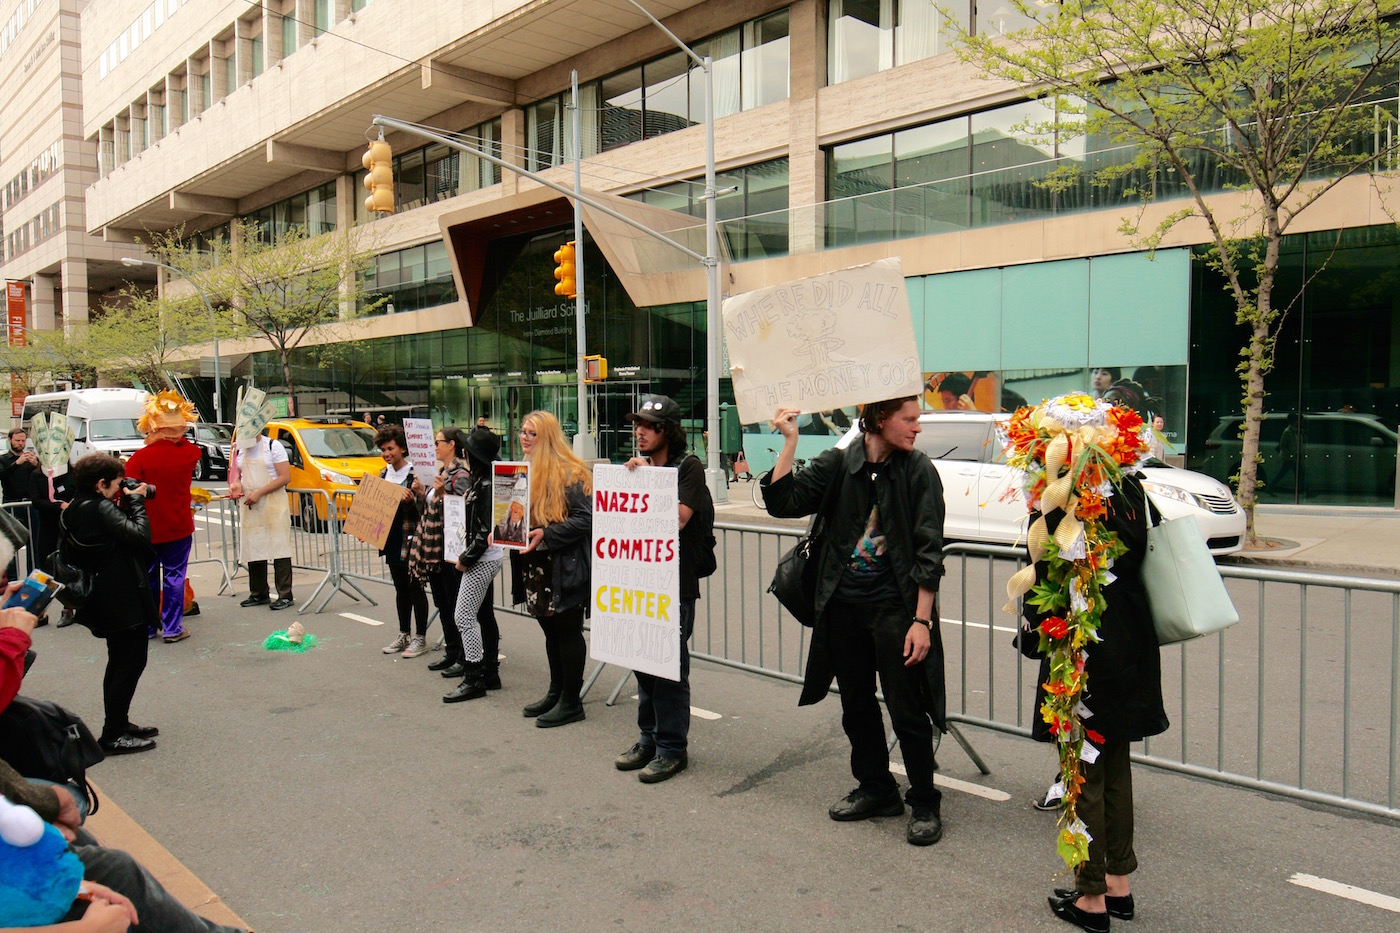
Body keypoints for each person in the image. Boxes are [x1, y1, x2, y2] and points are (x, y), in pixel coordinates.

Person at [761, 397, 948, 846]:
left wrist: (921, 622)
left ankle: (923, 799)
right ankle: (877, 788)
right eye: (909, 419)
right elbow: (783, 502)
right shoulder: (839, 464)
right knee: (856, 705)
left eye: (917, 419)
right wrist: (791, 441)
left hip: (896, 610)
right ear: (881, 420)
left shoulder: (918, 470)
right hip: (842, 607)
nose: (917, 428)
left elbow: (929, 551)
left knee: (908, 709)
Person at [1022, 472, 1168, 932]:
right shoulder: (1129, 486)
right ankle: (1118, 885)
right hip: (1128, 633)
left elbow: (1047, 566)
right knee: (1116, 760)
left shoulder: (1063, 493)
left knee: (1083, 769)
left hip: (1084, 641)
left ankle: (1091, 898)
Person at [613, 395, 714, 784]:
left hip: (674, 586)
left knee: (668, 669)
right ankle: (648, 739)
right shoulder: (639, 469)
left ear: (667, 431)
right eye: (637, 424)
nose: (640, 431)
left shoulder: (688, 468)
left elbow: (677, 519)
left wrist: (647, 482)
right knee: (643, 662)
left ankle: (672, 748)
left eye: (650, 426)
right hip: (641, 582)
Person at [60, 454, 159, 754]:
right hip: (121, 597)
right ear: (101, 483)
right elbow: (141, 535)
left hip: (103, 595)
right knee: (129, 663)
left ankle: (118, 723)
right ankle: (113, 734)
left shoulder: (74, 507)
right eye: (116, 484)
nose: (120, 489)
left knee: (118, 662)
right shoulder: (100, 507)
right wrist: (138, 501)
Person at [509, 411, 592, 728]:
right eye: (523, 431)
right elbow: (512, 516)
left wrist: (548, 533)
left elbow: (586, 520)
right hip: (537, 565)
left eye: (532, 433)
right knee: (549, 630)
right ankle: (556, 692)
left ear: (547, 437)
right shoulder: (523, 471)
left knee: (566, 631)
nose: (524, 437)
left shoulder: (572, 474)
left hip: (563, 567)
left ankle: (571, 701)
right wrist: (500, 530)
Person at [123, 394, 201, 643]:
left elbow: (128, 485)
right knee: (174, 576)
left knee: (146, 578)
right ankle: (172, 627)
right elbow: (191, 447)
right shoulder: (188, 455)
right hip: (178, 526)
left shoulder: (139, 458)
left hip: (147, 528)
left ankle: (147, 625)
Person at [443, 427, 506, 703]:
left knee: (464, 616)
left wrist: (465, 559)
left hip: (482, 559)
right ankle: (488, 673)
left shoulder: (486, 486)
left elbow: (484, 530)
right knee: (481, 615)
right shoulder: (483, 482)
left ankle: (474, 677)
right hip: (484, 557)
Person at [409, 427, 473, 677]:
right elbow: (428, 509)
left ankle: (462, 655)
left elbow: (461, 511)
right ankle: (451, 650)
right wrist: (419, 494)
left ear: (452, 445)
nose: (435, 446)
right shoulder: (440, 472)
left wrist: (443, 493)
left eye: (439, 442)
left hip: (450, 547)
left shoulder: (460, 474)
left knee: (453, 601)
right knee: (443, 602)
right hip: (435, 547)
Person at [373, 425, 431, 658]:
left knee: (415, 587)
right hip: (391, 538)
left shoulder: (415, 474)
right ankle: (403, 633)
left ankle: (420, 637)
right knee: (400, 588)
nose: (387, 454)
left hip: (412, 537)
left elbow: (426, 509)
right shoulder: (382, 474)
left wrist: (414, 497)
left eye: (390, 449)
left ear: (402, 448)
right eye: (383, 449)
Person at [231, 430, 294, 611]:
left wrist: (259, 493)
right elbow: (237, 476)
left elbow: (284, 477)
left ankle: (285, 594)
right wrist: (236, 485)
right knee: (254, 545)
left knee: (279, 547)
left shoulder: (273, 446)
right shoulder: (239, 450)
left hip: (273, 503)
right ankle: (258, 592)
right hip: (251, 505)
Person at [27, 462, 75, 626]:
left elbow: (76, 495)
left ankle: (68, 608)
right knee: (44, 568)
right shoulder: (37, 475)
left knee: (66, 566)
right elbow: (36, 501)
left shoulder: (70, 472)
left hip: (66, 526)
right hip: (47, 526)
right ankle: (40, 610)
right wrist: (58, 505)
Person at [0, 428, 39, 582]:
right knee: (11, 541)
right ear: (10, 440)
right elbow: (2, 475)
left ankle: (33, 575)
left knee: (34, 542)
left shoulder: (30, 459)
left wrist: (36, 464)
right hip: (11, 504)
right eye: (17, 440)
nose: (21, 444)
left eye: (23, 440)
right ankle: (12, 577)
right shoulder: (4, 459)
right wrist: (17, 464)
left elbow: (43, 477)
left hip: (30, 504)